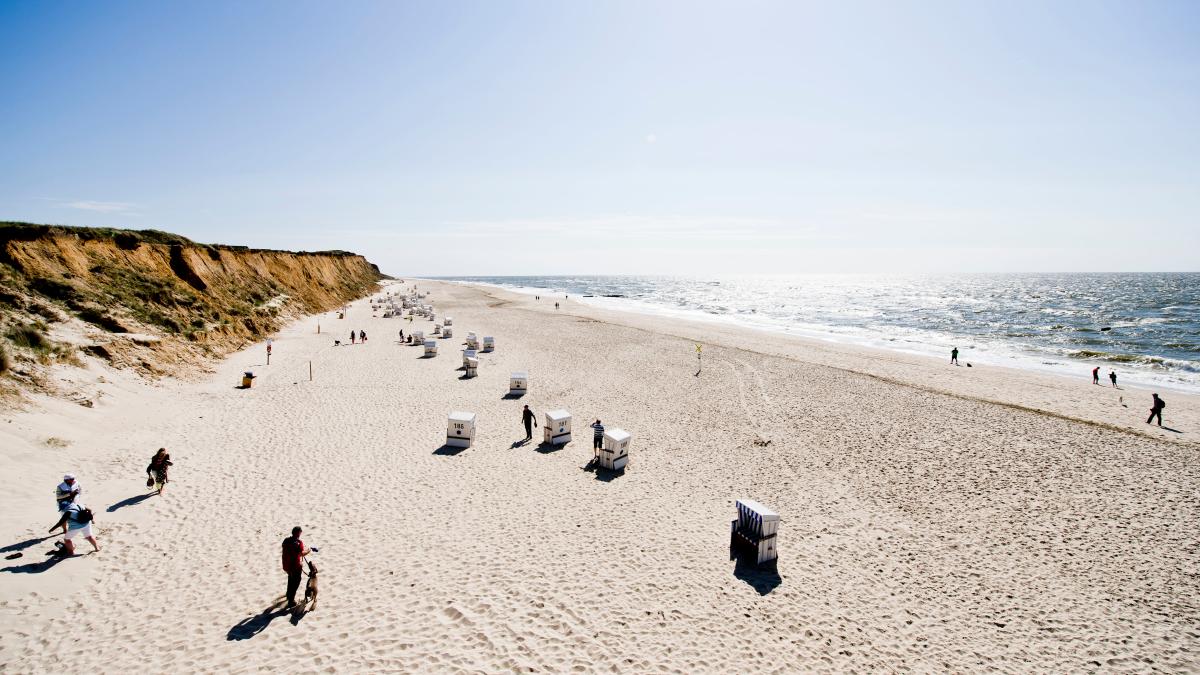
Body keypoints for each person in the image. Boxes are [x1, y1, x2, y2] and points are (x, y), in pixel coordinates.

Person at [281, 526, 311, 611]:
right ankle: (291, 601)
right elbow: (301, 553)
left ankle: (288, 594)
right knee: (296, 582)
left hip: (286, 566)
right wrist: (308, 550)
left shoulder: (286, 540)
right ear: (299, 533)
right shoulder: (298, 542)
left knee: (290, 579)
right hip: (295, 566)